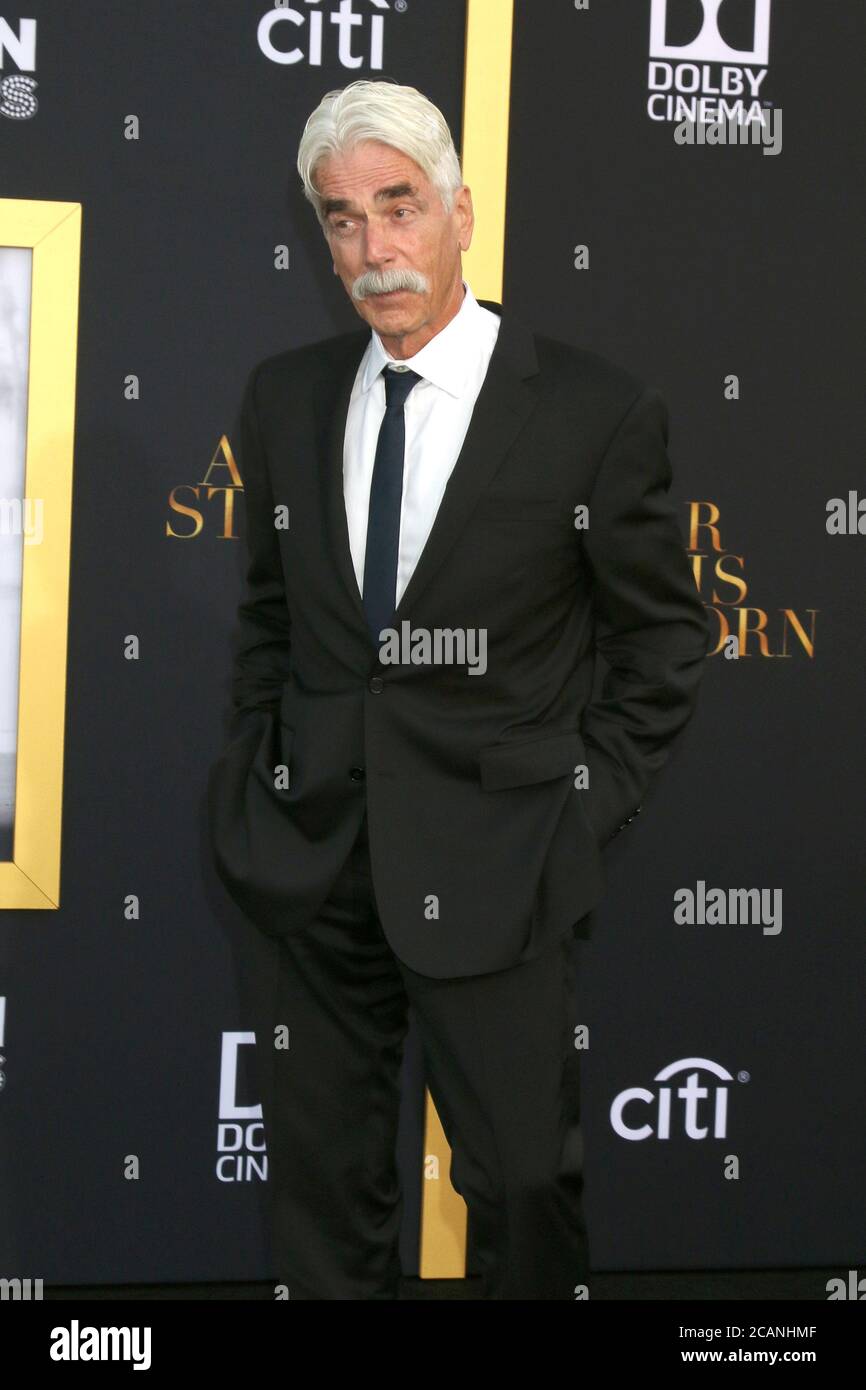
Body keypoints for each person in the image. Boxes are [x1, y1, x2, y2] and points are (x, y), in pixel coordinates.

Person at [207, 78, 711, 1299]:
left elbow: (662, 643)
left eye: (398, 207)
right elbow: (271, 619)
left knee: (524, 1190)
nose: (373, 250)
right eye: (339, 219)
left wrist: (572, 817)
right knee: (325, 1202)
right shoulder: (285, 397)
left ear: (460, 212)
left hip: (500, 865)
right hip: (314, 857)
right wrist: (257, 777)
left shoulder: (591, 411)